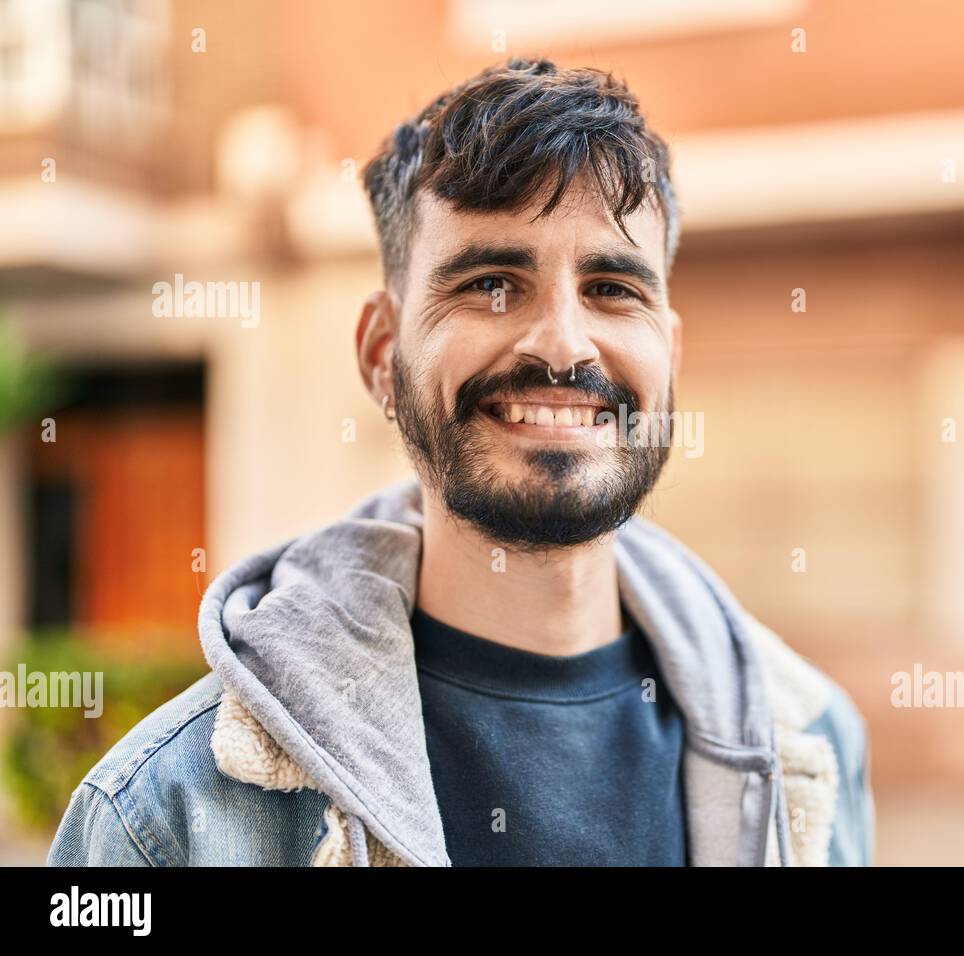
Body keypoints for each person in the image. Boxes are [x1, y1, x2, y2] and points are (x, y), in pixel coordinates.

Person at [47, 57, 873, 867]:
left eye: (613, 288)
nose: (562, 343)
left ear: (671, 351)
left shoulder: (809, 745)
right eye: (490, 282)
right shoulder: (166, 818)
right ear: (380, 352)